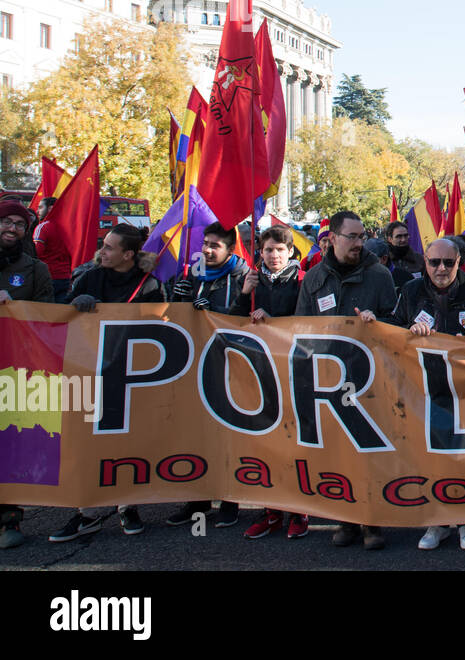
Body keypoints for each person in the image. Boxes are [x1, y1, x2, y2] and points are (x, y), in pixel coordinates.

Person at [52, 224, 162, 543]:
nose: (103, 251)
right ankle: (87, 512)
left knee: (128, 442)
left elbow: (162, 327)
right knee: (88, 443)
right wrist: (76, 303)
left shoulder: (149, 284)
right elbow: (66, 319)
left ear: (129, 254)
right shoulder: (90, 277)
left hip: (132, 379)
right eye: (103, 245)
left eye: (110, 247)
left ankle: (128, 506)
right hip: (89, 374)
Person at [296, 210, 397, 551]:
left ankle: (372, 520)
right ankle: (346, 519)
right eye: (352, 236)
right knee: (338, 452)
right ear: (333, 237)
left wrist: (377, 322)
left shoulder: (379, 275)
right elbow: (299, 329)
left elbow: (397, 323)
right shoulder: (313, 279)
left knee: (367, 450)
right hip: (327, 381)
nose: (359, 243)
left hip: (370, 380)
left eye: (362, 236)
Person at [394, 237, 465, 553]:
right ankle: (437, 521)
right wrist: (407, 333)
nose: (441, 269)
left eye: (448, 262)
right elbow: (392, 327)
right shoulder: (411, 292)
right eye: (434, 262)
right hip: (423, 386)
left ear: (459, 262)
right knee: (430, 454)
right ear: (425, 262)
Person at [164, 222, 252, 530]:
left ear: (230, 249)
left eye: (215, 245)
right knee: (196, 436)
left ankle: (230, 500)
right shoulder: (192, 275)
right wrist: (179, 301)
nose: (207, 249)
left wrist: (217, 312)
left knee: (228, 436)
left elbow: (245, 321)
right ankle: (197, 501)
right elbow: (173, 324)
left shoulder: (243, 276)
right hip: (194, 367)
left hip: (230, 368)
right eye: (205, 243)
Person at [227, 225, 311, 540]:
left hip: (293, 373)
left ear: (290, 252)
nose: (273, 255)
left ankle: (300, 510)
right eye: (267, 250)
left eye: (279, 250)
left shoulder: (303, 281)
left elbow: (308, 322)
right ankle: (272, 511)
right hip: (258, 373)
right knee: (264, 443)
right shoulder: (249, 280)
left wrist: (273, 322)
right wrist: (245, 295)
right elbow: (230, 320)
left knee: (295, 443)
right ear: (260, 252)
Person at [0, 201, 53, 549]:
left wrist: (18, 310)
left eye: (20, 224)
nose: (13, 228)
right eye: (6, 221)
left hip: (14, 372)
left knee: (10, 444)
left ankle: (9, 520)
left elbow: (47, 315)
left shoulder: (35, 269)